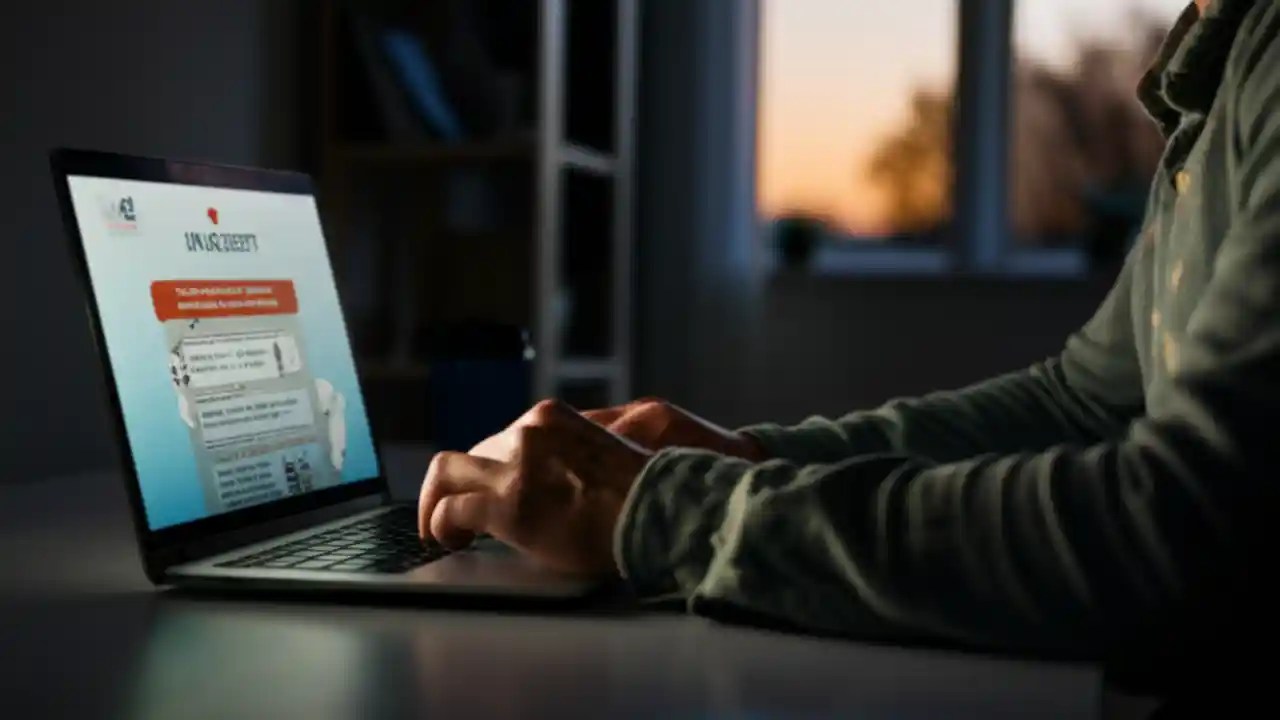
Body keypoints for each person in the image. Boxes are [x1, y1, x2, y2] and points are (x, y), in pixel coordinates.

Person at [418, 0, 1279, 659]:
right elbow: (1086, 400)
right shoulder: (1225, 53)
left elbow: (1188, 528)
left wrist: (662, 510)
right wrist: (752, 459)